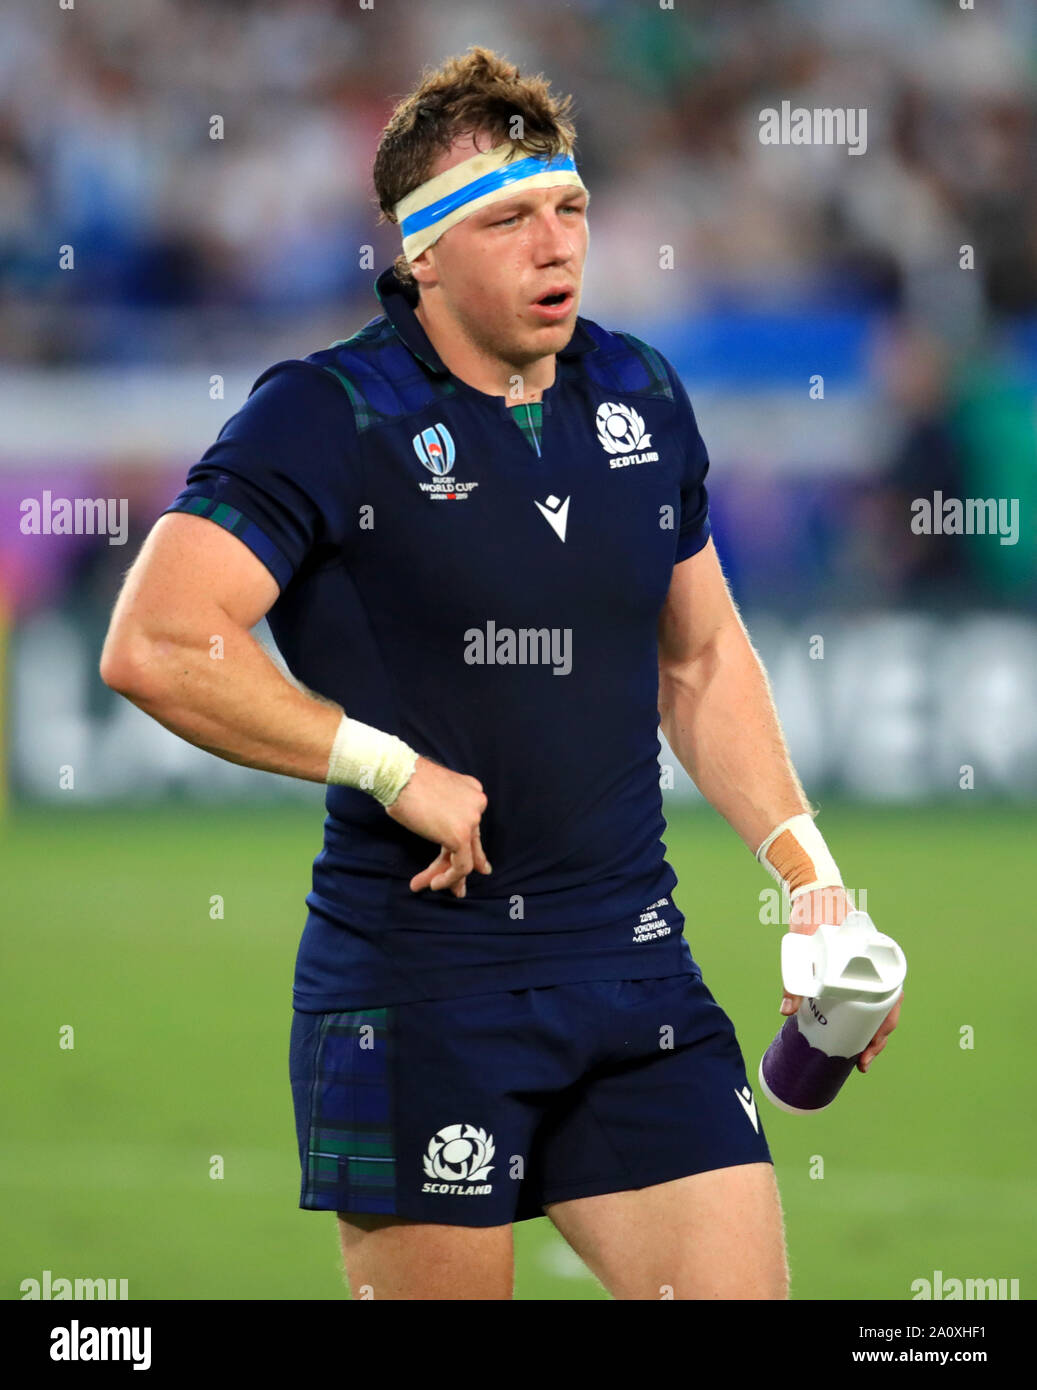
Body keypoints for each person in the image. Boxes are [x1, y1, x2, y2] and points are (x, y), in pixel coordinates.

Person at [100, 46, 900, 1301]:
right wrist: (386, 765)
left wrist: (810, 874)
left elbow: (696, 657)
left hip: (634, 966)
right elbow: (157, 640)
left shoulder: (638, 389)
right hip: (419, 987)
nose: (555, 245)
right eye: (507, 218)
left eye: (570, 208)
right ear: (421, 253)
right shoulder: (327, 412)